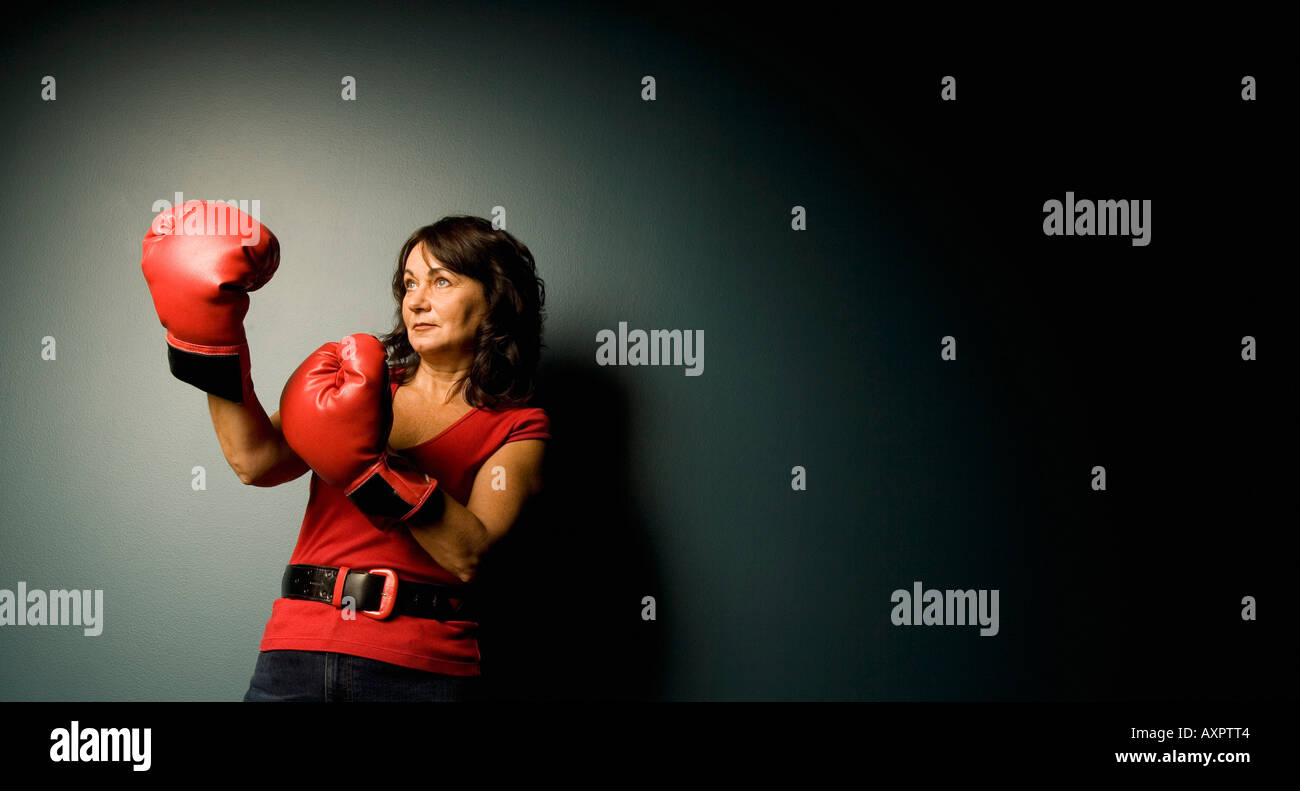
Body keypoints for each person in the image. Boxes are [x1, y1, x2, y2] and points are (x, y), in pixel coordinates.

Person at [142, 204, 548, 701]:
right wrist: (206, 340)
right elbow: (254, 460)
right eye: (409, 283)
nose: (417, 301)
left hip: (421, 669)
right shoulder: (356, 384)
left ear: (495, 297)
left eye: (441, 282)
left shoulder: (518, 426)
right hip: (297, 652)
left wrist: (369, 469)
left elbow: (470, 556)